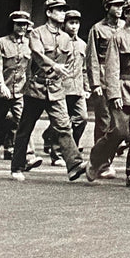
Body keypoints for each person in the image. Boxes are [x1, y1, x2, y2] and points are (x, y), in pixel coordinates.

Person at [12, 0, 88, 182]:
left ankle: (74, 164)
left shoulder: (66, 38)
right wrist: (54, 66)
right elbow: (37, 54)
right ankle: (17, 166)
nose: (62, 13)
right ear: (48, 13)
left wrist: (63, 75)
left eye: (64, 10)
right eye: (58, 10)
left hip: (55, 88)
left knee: (64, 126)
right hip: (36, 88)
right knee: (25, 128)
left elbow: (69, 62)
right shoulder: (37, 33)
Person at [87, 0, 130, 187]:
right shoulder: (117, 37)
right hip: (122, 89)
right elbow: (112, 67)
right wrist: (114, 94)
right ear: (127, 14)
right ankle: (97, 158)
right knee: (119, 132)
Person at [0, 11, 31, 166]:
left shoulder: (29, 44)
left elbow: (29, 68)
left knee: (22, 124)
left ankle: (24, 158)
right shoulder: (1, 43)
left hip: (20, 91)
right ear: (12, 25)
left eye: (24, 24)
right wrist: (1, 84)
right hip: (0, 93)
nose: (22, 27)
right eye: (18, 24)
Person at [86, 0, 125, 179]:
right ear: (107, 7)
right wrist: (95, 84)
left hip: (120, 79)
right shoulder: (97, 29)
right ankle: (101, 164)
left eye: (121, 5)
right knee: (103, 122)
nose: (119, 9)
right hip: (102, 77)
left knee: (119, 124)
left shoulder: (126, 28)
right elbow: (92, 58)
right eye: (115, 5)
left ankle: (105, 158)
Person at [43, 8, 89, 165]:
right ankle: (57, 154)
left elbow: (84, 68)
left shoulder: (83, 45)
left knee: (82, 118)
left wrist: (86, 88)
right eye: (71, 23)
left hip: (78, 88)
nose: (74, 26)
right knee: (61, 122)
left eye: (77, 23)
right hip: (62, 87)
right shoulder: (61, 42)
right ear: (64, 24)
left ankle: (70, 147)